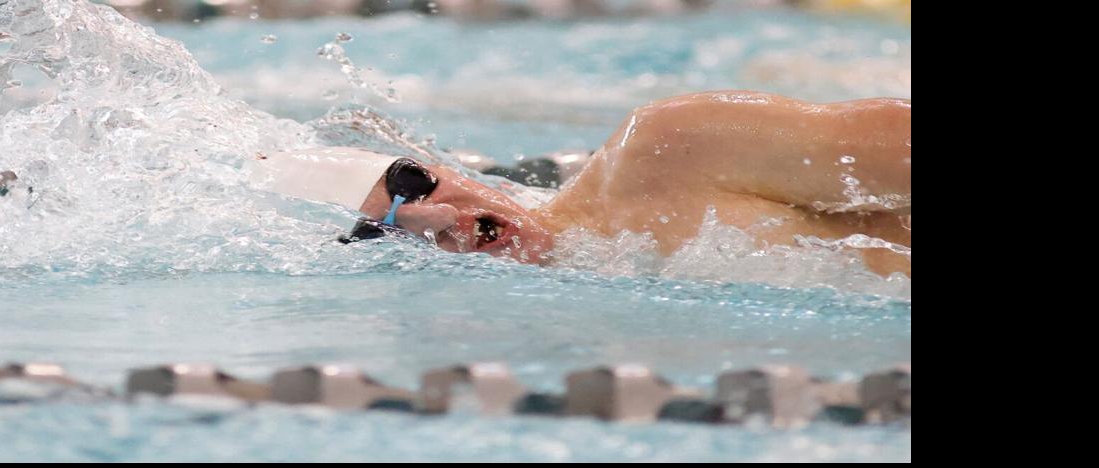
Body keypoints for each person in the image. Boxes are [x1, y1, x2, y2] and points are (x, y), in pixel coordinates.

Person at [252, 91, 910, 275]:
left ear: (437, 164)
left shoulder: (671, 148)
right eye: (380, 234)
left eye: (411, 186)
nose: (430, 223)